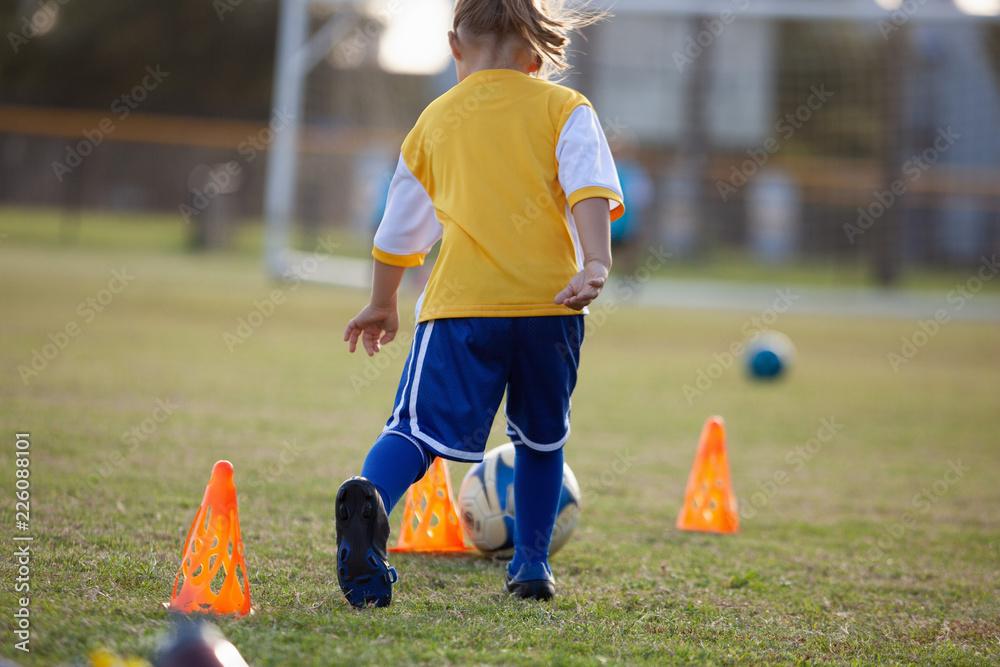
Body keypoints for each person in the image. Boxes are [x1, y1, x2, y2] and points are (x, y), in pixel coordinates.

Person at [337, 0, 624, 608]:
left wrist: (382, 302)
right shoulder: (565, 108)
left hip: (460, 310)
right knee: (542, 441)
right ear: (538, 56)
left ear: (454, 46)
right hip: (552, 306)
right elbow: (588, 188)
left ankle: (371, 502)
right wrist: (595, 262)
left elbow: (397, 233)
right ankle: (531, 566)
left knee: (412, 433)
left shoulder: (435, 121)